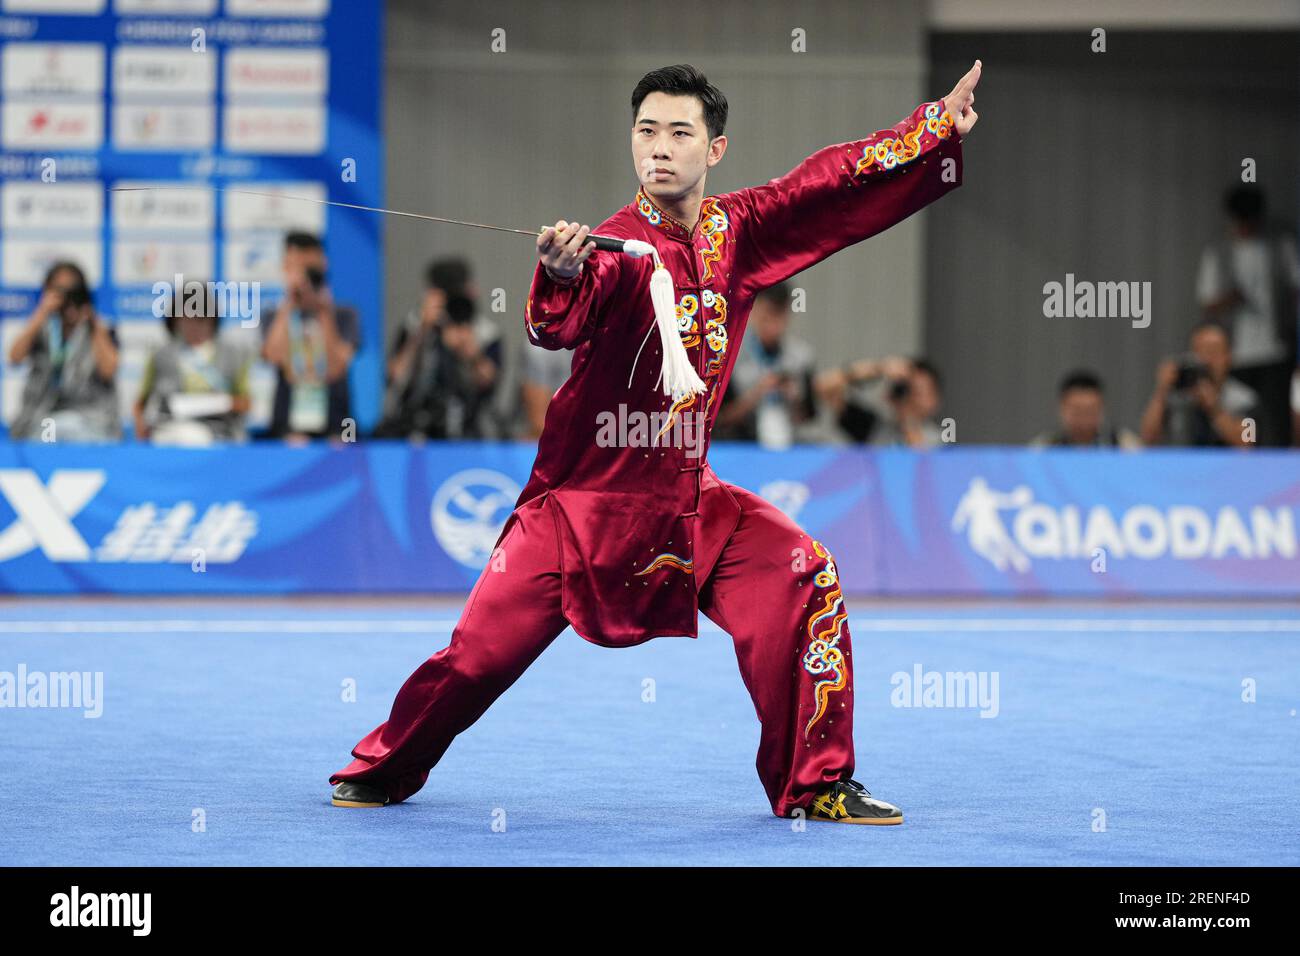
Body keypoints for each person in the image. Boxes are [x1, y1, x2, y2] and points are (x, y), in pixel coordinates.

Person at [331, 61, 980, 824]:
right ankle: (385, 764)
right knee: (475, 659)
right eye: (646, 132)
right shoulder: (607, 247)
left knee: (804, 576)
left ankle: (816, 783)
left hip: (687, 507)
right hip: (578, 510)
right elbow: (554, 326)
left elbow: (828, 184)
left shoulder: (740, 232)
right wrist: (557, 274)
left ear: (716, 149)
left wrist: (932, 128)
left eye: (680, 132)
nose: (660, 148)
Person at [1195, 185, 1299, 446]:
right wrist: (1231, 298)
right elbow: (1207, 302)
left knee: (1277, 419)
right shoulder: (1219, 251)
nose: (1245, 227)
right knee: (1235, 418)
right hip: (1234, 354)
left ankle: (1275, 474)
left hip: (1275, 349)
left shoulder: (1280, 246)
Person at [375, 257, 501, 439]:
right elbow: (394, 377)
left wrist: (470, 351)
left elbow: (489, 382)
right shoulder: (413, 327)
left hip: (468, 431)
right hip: (413, 429)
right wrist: (421, 333)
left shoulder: (486, 333)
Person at [260, 232, 360, 441]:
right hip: (288, 424)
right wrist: (291, 302)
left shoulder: (344, 315)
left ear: (324, 265)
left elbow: (337, 368)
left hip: (338, 424)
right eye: (296, 268)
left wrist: (322, 311)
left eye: (310, 270)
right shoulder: (275, 316)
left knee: (345, 441)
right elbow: (273, 356)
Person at [7, 261, 121, 443]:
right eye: (60, 291)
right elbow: (14, 357)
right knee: (46, 435)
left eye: (73, 292)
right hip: (42, 416)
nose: (67, 299)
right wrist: (42, 311)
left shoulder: (101, 328)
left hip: (89, 419)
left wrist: (91, 320)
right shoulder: (42, 326)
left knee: (76, 433)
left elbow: (109, 369)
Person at [134, 284, 253, 445]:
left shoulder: (232, 354)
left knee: (195, 437)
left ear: (211, 319)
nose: (193, 326)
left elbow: (246, 403)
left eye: (200, 318)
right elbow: (141, 402)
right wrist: (141, 426)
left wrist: (222, 403)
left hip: (221, 434)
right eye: (186, 318)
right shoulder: (161, 355)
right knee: (183, 436)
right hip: (170, 430)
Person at [714, 281, 816, 446]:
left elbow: (809, 418)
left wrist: (794, 397)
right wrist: (757, 392)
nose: (772, 326)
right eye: (767, 316)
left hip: (789, 444)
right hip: (740, 446)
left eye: (779, 317)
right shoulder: (729, 356)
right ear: (754, 311)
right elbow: (720, 419)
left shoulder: (801, 357)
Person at [1140, 321, 1258, 449]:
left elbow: (1248, 442)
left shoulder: (1245, 399)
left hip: (1227, 466)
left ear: (1228, 357)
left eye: (1213, 352)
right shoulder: (1177, 395)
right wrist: (1161, 392)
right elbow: (1147, 439)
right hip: (1183, 465)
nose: (1207, 360)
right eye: (1200, 351)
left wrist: (1215, 409)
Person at [815, 355, 945, 447]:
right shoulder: (875, 427)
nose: (911, 397)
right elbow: (821, 389)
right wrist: (878, 369)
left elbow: (923, 467)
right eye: (907, 389)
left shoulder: (939, 441)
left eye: (919, 392)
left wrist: (909, 420)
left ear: (935, 400)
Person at [1030, 369, 1141, 448]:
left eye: (1090, 411)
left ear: (1102, 409)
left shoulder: (1123, 445)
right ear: (1062, 409)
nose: (1083, 419)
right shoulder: (1045, 447)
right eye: (1077, 411)